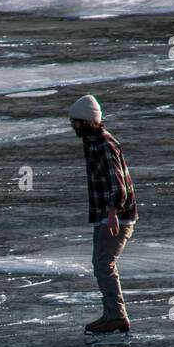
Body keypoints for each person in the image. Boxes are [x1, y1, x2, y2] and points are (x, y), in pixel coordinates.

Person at [70, 94, 137, 334]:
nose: (73, 126)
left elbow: (118, 185)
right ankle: (113, 313)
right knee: (101, 264)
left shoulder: (105, 144)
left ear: (88, 121)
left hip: (116, 214)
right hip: (107, 213)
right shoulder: (93, 142)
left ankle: (116, 316)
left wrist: (112, 213)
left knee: (103, 264)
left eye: (76, 121)